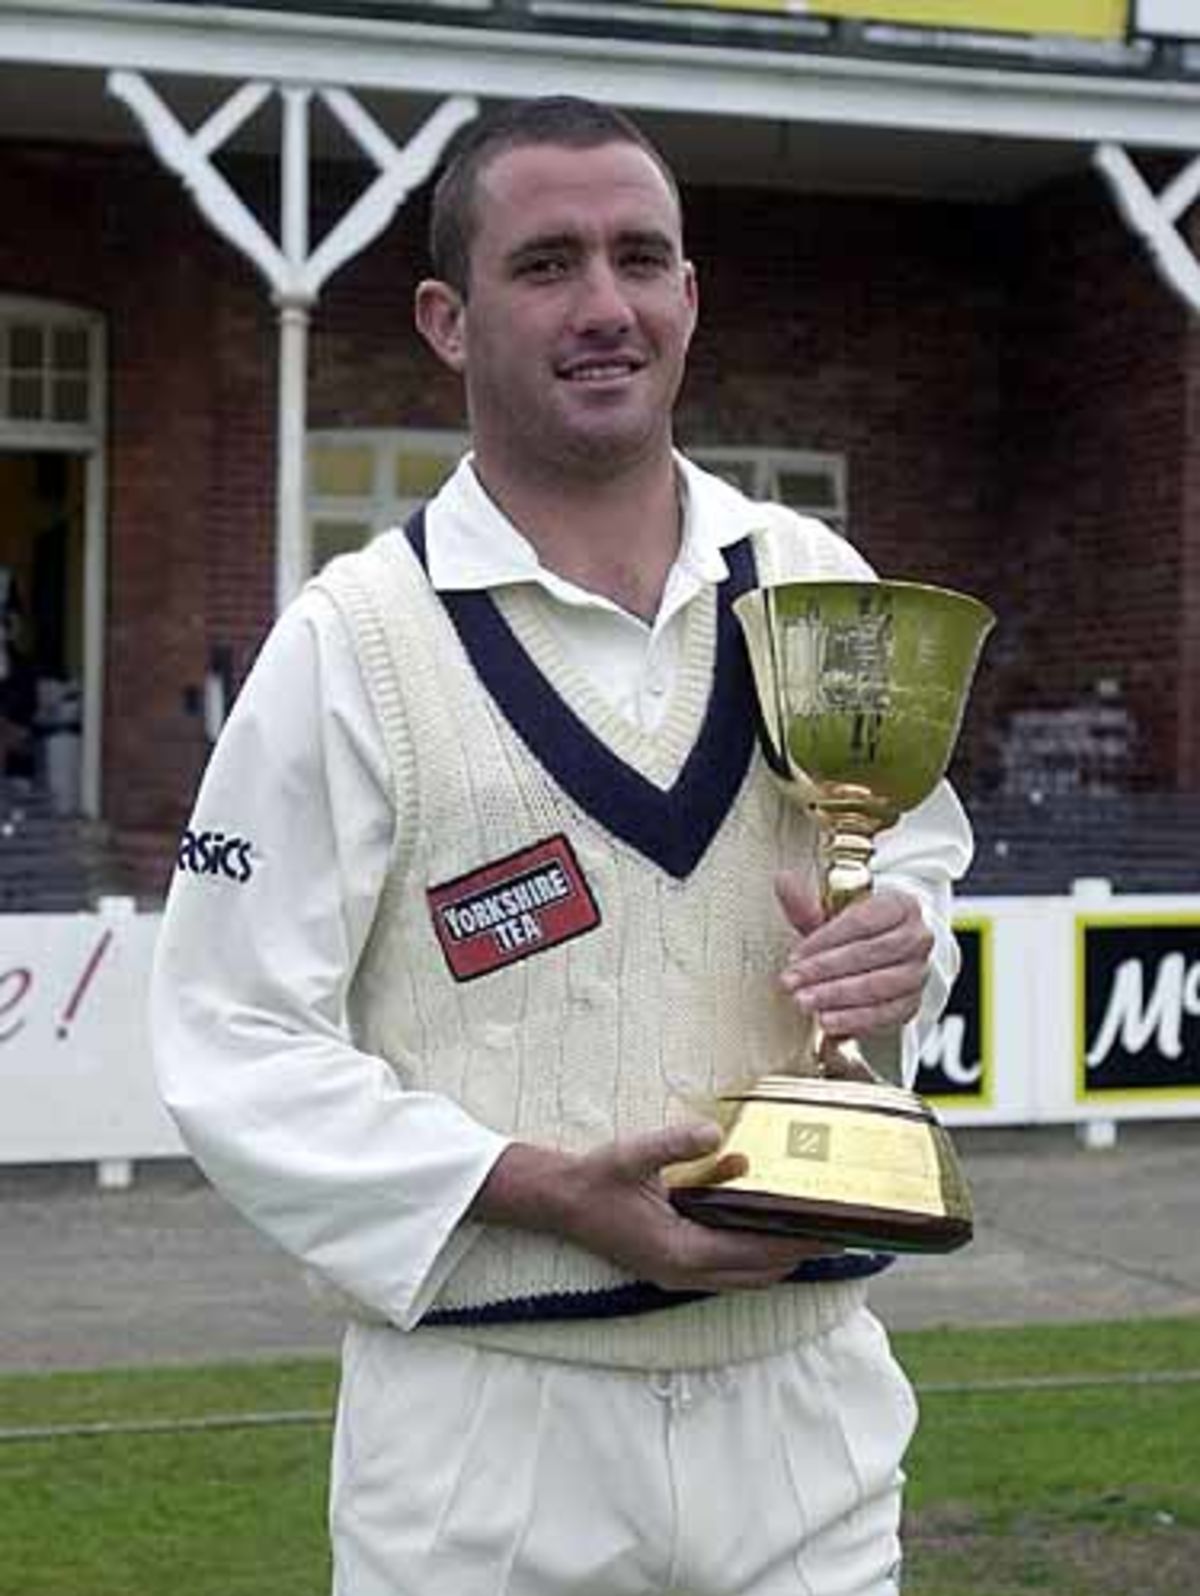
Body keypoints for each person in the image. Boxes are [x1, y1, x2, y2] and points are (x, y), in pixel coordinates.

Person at [151, 96, 973, 1596]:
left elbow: (912, 863)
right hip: (488, 1435)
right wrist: (540, 1188)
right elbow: (233, 1038)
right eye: (546, 266)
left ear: (690, 298)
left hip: (805, 1403)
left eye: (640, 258)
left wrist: (900, 938)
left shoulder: (811, 575)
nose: (606, 306)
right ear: (447, 320)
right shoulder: (355, 644)